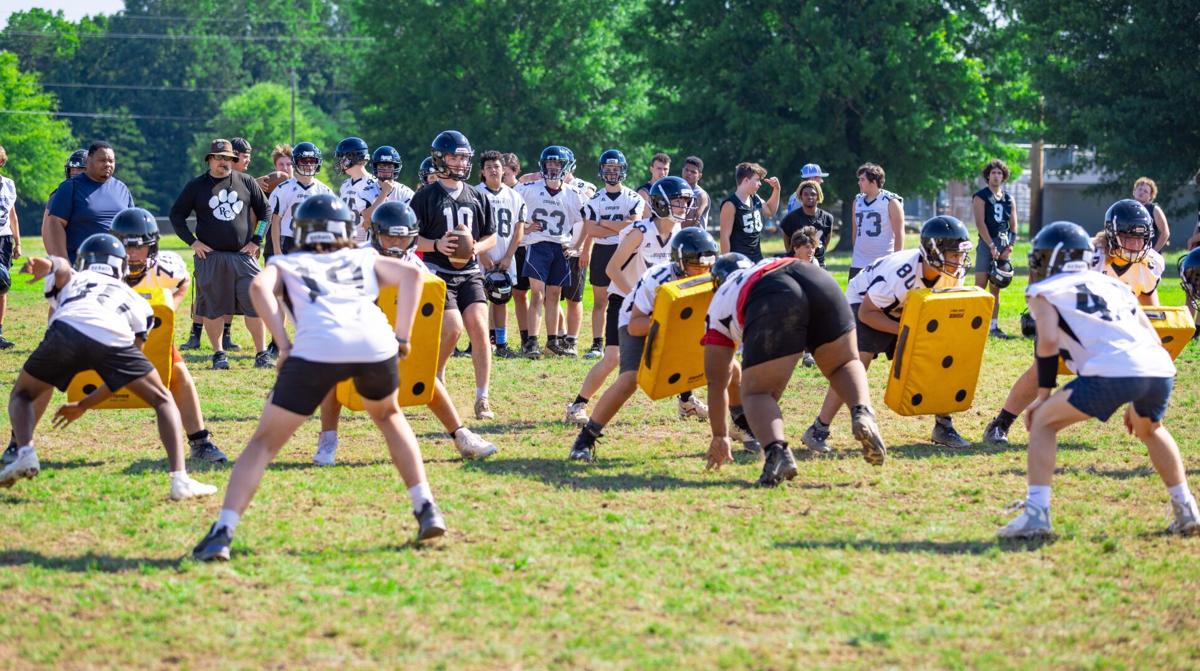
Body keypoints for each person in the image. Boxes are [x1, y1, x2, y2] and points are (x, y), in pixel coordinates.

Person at [190, 195, 448, 562]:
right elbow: (409, 275)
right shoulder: (363, 256)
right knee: (390, 418)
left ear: (301, 231)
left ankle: (223, 531)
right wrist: (402, 336)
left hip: (317, 348)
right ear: (346, 230)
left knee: (263, 444)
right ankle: (426, 506)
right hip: (373, 343)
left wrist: (281, 344)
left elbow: (258, 289)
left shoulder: (289, 261)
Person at [998, 221, 1197, 538]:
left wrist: (1044, 396)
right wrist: (1138, 394)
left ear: (1052, 258)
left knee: (1043, 423)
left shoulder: (1045, 289)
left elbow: (1048, 342)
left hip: (1112, 369)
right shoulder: (1114, 286)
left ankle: (1037, 514)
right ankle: (1186, 509)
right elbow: (1149, 332)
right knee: (1151, 429)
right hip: (1157, 365)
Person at [0, 234, 217, 500]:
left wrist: (49, 263)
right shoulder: (137, 301)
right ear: (121, 267)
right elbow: (122, 378)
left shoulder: (76, 278)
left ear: (84, 262)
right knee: (162, 399)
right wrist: (84, 405)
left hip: (66, 329)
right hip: (115, 337)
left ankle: (24, 452)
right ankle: (180, 480)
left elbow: (63, 268)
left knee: (22, 394)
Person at [981, 203, 1167, 445]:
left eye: (1140, 239)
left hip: (1108, 325)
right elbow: (1044, 272)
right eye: (1127, 237)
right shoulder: (1087, 253)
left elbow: (1151, 309)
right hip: (1067, 317)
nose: (1134, 245)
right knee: (1042, 368)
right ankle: (1001, 424)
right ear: (1111, 234)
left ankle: (1148, 419)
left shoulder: (1151, 263)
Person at [702, 252, 888, 486]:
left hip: (772, 294)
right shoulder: (765, 264)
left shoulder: (722, 297)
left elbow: (718, 379)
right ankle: (862, 412)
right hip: (814, 276)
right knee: (844, 363)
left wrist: (720, 435)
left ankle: (777, 453)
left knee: (757, 393)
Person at [802, 216, 974, 453]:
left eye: (961, 254)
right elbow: (867, 313)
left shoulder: (950, 272)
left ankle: (943, 425)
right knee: (857, 363)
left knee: (939, 351)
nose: (959, 261)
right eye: (954, 255)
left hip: (906, 307)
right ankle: (818, 429)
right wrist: (909, 331)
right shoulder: (901, 275)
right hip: (865, 302)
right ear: (933, 252)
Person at [568, 227, 719, 462]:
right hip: (639, 321)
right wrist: (668, 320)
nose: (701, 271)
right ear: (679, 262)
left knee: (728, 368)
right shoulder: (657, 279)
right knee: (629, 379)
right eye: (694, 265)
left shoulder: (712, 277)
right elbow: (635, 326)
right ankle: (585, 439)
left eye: (706, 264)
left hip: (679, 324)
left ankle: (741, 425)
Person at [566, 175, 691, 426]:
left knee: (678, 349)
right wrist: (639, 296)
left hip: (654, 305)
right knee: (613, 358)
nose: (684, 207)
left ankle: (686, 401)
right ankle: (577, 405)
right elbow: (612, 269)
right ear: (662, 204)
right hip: (624, 301)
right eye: (678, 201)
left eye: (686, 202)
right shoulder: (640, 231)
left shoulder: (677, 233)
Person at [411, 130, 498, 420]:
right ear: (439, 158)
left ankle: (482, 397)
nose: (460, 163)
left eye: (463, 157)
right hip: (438, 273)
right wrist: (436, 244)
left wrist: (476, 247)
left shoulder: (476, 196)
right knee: (452, 328)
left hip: (470, 272)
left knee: (479, 329)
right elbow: (411, 239)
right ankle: (434, 375)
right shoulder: (425, 197)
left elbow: (491, 236)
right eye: (454, 157)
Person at [169, 139, 271, 370]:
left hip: (243, 256)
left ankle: (262, 353)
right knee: (213, 306)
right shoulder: (196, 186)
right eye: (219, 157)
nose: (223, 162)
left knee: (254, 302)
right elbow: (176, 215)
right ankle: (218, 354)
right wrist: (193, 242)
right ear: (210, 160)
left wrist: (257, 239)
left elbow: (265, 211)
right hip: (210, 257)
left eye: (228, 158)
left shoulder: (245, 181)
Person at [514, 145, 585, 358]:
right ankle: (531, 341)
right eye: (549, 163)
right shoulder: (529, 188)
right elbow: (512, 208)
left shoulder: (574, 194)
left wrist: (578, 245)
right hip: (537, 244)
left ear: (567, 167)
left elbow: (588, 220)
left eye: (557, 164)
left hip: (561, 247)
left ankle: (553, 340)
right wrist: (525, 229)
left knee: (554, 295)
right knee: (537, 293)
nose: (552, 168)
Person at [579, 149, 644, 360]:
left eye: (616, 169)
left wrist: (604, 222)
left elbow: (635, 225)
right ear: (602, 171)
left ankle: (625, 341)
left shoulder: (633, 197)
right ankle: (598, 343)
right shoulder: (595, 199)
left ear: (622, 171)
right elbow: (591, 230)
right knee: (600, 301)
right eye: (608, 169)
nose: (612, 173)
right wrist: (619, 226)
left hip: (627, 251)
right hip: (602, 250)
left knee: (627, 296)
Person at [44, 142, 134, 263]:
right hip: (82, 266)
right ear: (89, 160)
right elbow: (55, 224)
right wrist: (63, 263)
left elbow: (131, 226)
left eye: (111, 161)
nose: (107, 164)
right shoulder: (70, 187)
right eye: (102, 160)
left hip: (116, 265)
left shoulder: (122, 188)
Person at [476, 150, 526, 359]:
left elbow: (519, 229)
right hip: (481, 255)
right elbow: (470, 228)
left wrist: (508, 257)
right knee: (479, 300)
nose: (494, 170)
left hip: (506, 255)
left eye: (497, 167)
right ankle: (478, 342)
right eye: (489, 168)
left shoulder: (514, 196)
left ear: (503, 170)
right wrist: (483, 255)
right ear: (483, 172)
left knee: (502, 298)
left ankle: (502, 343)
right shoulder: (474, 193)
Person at [972, 159, 1019, 339]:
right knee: (980, 286)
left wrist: (1010, 246)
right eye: (993, 173)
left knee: (996, 288)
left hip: (1003, 243)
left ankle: (993, 326)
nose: (996, 176)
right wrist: (991, 245)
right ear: (988, 175)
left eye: (999, 173)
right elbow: (979, 223)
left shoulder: (1009, 199)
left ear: (1004, 176)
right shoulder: (980, 196)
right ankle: (975, 325)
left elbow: (1013, 226)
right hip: (986, 243)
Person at [269, 141, 334, 258]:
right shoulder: (283, 189)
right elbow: (275, 222)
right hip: (289, 240)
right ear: (295, 162)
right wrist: (277, 250)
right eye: (304, 161)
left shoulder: (325, 191)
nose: (308, 165)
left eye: (312, 161)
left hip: (314, 240)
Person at [848, 162, 904, 280]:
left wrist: (897, 261)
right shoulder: (857, 201)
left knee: (881, 298)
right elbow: (855, 231)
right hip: (859, 262)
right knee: (854, 297)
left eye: (862, 179)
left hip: (883, 261)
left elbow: (899, 234)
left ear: (873, 182)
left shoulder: (891, 201)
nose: (859, 183)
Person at [718, 162, 781, 262]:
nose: (760, 184)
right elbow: (724, 236)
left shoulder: (755, 198)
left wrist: (777, 189)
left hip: (757, 259)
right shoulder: (730, 205)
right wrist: (728, 262)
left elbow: (770, 211)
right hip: (739, 261)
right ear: (746, 180)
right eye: (757, 180)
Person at [778, 180, 835, 267]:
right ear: (800, 196)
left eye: (813, 194)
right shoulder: (791, 218)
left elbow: (825, 244)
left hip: (820, 265)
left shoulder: (827, 218)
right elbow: (788, 245)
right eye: (806, 194)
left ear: (818, 196)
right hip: (797, 265)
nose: (809, 197)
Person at [0, 145, 20, 349]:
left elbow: (12, 215)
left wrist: (18, 241)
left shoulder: (8, 185)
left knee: (2, 284)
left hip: (4, 239)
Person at [1131, 177, 1170, 252]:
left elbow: (1165, 233)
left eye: (1145, 191)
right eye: (1139, 189)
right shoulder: (1127, 207)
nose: (1141, 192)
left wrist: (1154, 251)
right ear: (1134, 191)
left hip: (1148, 255)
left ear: (1150, 197)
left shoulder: (1154, 209)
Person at [680, 156, 710, 229]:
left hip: (695, 238)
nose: (689, 173)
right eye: (686, 170)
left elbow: (692, 221)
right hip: (678, 237)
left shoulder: (701, 195)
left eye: (693, 172)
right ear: (682, 170)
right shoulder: (676, 190)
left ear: (699, 176)